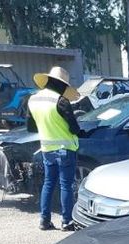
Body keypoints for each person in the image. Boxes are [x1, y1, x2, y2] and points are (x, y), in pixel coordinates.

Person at [27, 66, 82, 231]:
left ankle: (44, 220)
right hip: (65, 148)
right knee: (66, 185)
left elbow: (30, 127)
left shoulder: (33, 100)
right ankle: (67, 222)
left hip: (46, 149)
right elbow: (74, 128)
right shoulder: (61, 101)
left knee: (48, 183)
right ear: (61, 84)